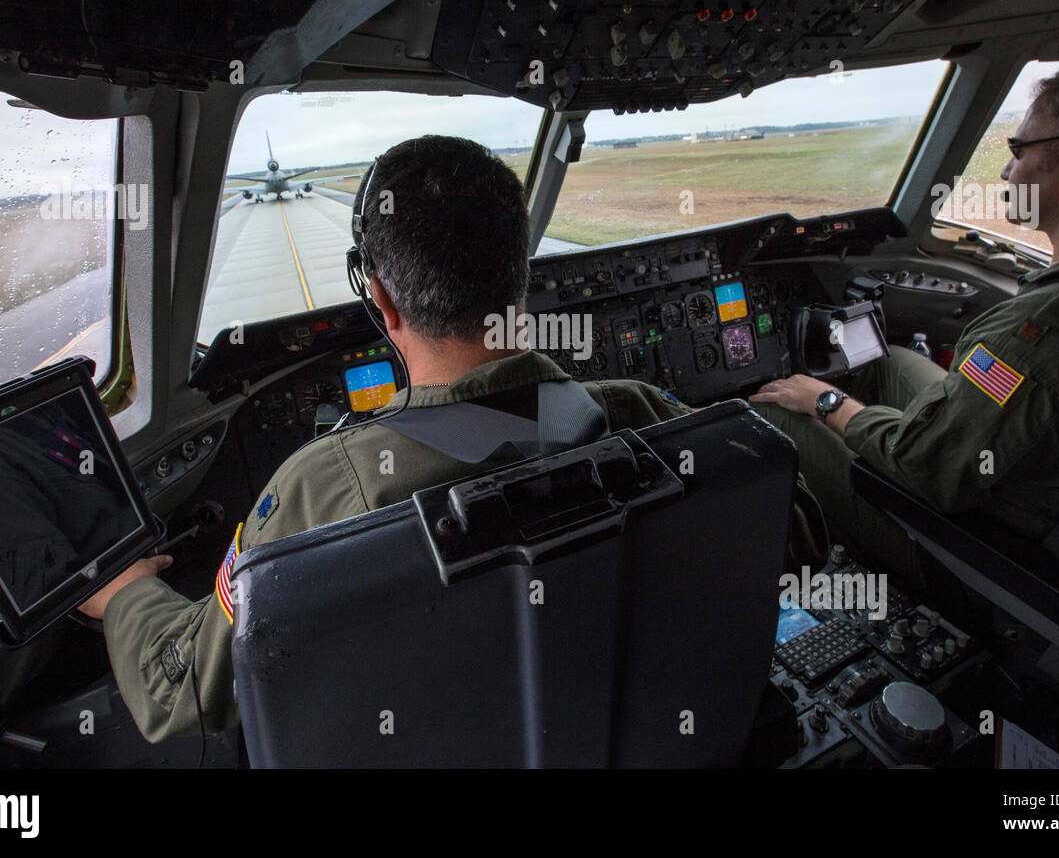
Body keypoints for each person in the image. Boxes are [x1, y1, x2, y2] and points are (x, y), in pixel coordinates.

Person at [80, 135, 693, 742]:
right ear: (519, 272)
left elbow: (181, 691)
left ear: (380, 299)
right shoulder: (647, 415)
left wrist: (127, 596)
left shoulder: (320, 488)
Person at [749, 31, 1059, 598]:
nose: (1006, 174)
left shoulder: (1051, 332)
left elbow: (927, 472)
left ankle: (800, 583)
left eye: (1018, 150)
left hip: (986, 560)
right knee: (892, 363)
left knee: (778, 420)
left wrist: (826, 402)